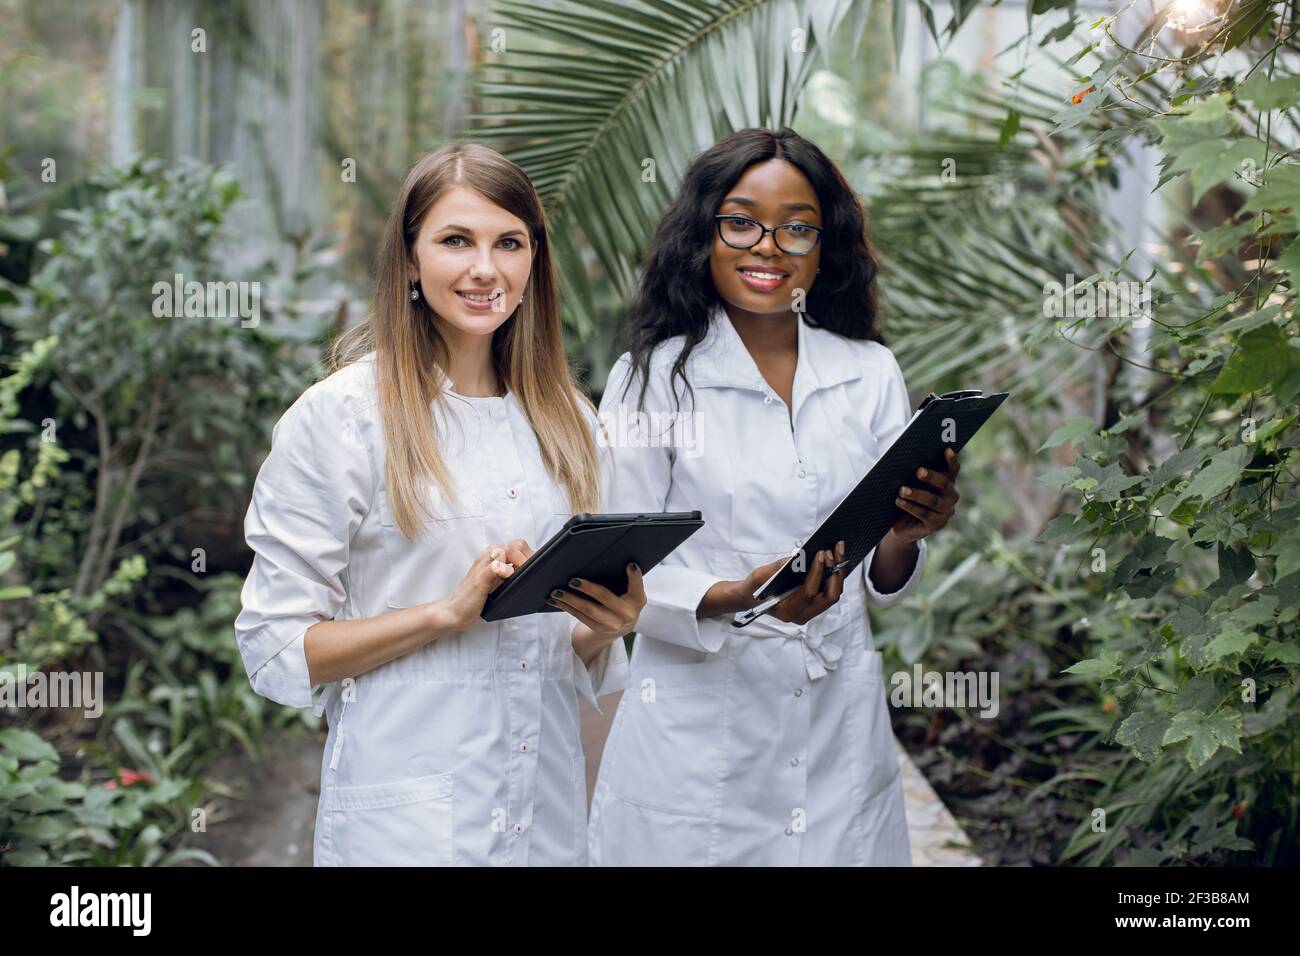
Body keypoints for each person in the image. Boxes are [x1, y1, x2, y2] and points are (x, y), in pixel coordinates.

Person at [234, 143, 638, 866]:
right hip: (403, 826)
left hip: (543, 818)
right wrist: (444, 615)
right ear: (411, 262)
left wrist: (605, 626)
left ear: (533, 264)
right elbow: (275, 650)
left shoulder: (572, 423)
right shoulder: (344, 419)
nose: (486, 268)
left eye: (508, 243)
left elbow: (553, 655)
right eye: (457, 240)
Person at [587, 127, 962, 866]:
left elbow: (881, 571)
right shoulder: (653, 381)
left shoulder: (870, 372)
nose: (769, 246)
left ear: (825, 249)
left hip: (837, 726)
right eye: (741, 222)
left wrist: (908, 532)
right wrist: (734, 596)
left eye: (796, 227)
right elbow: (616, 569)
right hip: (696, 734)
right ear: (706, 235)